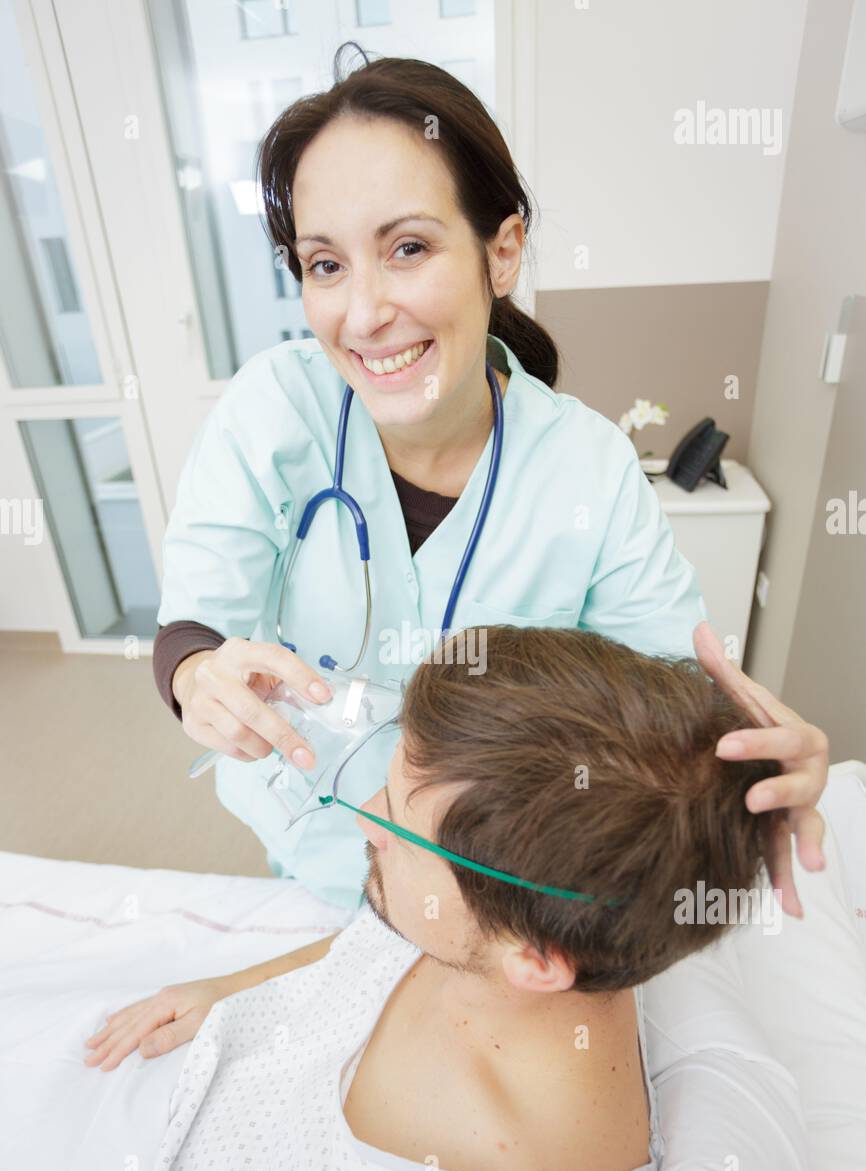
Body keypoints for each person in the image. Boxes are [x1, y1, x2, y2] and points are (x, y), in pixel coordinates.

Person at [152, 44, 827, 924]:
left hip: (489, 875)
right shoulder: (277, 407)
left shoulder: (586, 468)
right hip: (305, 834)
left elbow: (673, 697)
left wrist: (750, 761)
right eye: (326, 264)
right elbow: (192, 628)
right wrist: (198, 674)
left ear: (500, 252)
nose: (362, 314)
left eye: (407, 248)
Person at [134, 625, 785, 1171]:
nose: (366, 819)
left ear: (536, 963)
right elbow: (377, 951)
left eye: (400, 830)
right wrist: (234, 988)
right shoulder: (511, 932)